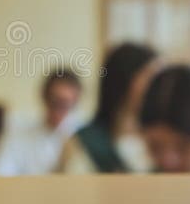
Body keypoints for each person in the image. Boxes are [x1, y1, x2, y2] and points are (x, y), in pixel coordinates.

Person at [58, 43, 158, 174]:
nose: (157, 86)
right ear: (125, 79)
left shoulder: (161, 143)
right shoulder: (81, 141)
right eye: (149, 77)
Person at [0, 69, 83, 176]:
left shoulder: (83, 139)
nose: (59, 110)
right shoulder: (17, 134)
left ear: (75, 102)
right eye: (55, 102)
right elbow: (0, 175)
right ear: (44, 97)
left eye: (65, 104)